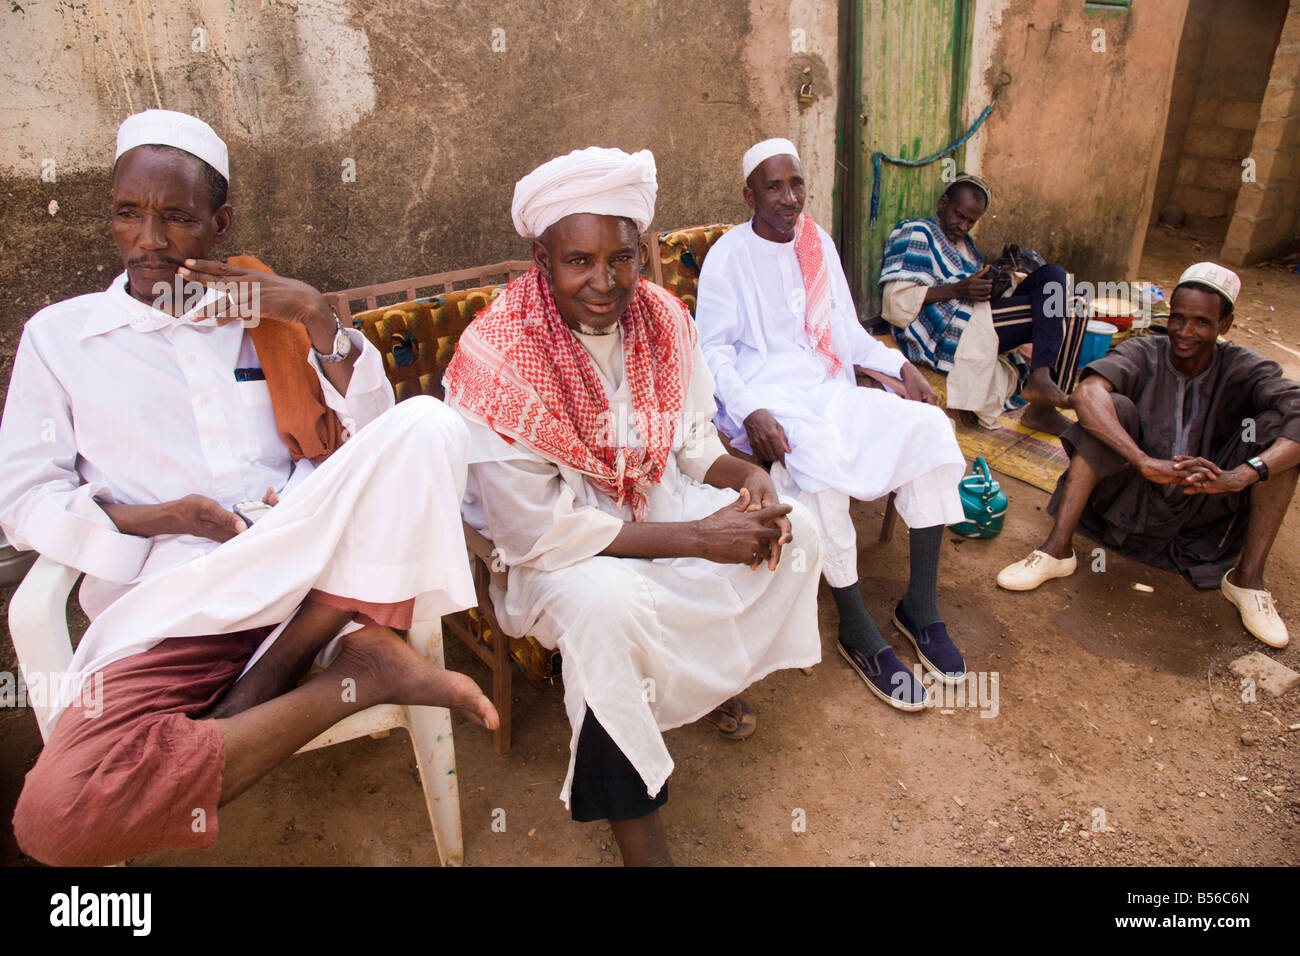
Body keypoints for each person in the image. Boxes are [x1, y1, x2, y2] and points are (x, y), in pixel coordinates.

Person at [0, 109, 497, 867]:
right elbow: (24, 500)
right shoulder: (60, 338)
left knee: (431, 426)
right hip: (169, 602)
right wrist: (161, 515)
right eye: (130, 214)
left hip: (303, 559)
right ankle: (358, 677)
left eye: (177, 218)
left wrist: (310, 313)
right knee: (56, 819)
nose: (151, 241)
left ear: (220, 223)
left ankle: (307, 638)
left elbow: (372, 433)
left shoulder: (263, 312)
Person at [442, 146, 823, 866]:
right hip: (556, 551)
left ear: (642, 253)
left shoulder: (662, 319)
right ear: (541, 257)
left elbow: (689, 444)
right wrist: (698, 537)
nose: (604, 282)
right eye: (579, 261)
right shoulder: (496, 355)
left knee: (797, 531)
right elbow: (536, 530)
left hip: (658, 503)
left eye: (621, 259)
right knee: (607, 616)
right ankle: (643, 841)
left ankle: (699, 684)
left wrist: (748, 476)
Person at [694, 138, 968, 714]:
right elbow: (712, 353)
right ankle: (855, 624)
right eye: (774, 187)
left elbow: (846, 332)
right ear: (750, 195)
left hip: (829, 387)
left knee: (927, 430)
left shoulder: (817, 244)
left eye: (796, 184)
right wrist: (750, 412)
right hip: (769, 400)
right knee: (816, 467)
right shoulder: (728, 256)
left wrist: (902, 367)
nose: (789, 198)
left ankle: (920, 605)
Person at [997, 262, 1300, 648]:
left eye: (1201, 323)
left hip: (1206, 504)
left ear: (1225, 325)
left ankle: (1247, 580)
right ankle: (1056, 550)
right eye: (1178, 318)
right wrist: (1141, 459)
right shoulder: (1147, 350)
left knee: (1279, 429)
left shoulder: (1243, 367)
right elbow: (1088, 393)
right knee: (1110, 408)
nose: (1184, 332)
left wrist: (1241, 474)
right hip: (1131, 498)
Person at [879, 174, 1087, 435]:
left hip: (979, 314)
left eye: (971, 221)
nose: (963, 226)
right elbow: (894, 303)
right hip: (950, 328)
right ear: (943, 203)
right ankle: (1041, 405)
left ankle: (1042, 384)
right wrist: (960, 288)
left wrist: (997, 285)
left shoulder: (967, 246)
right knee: (1065, 308)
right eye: (958, 215)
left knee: (1061, 285)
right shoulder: (917, 232)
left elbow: (974, 289)